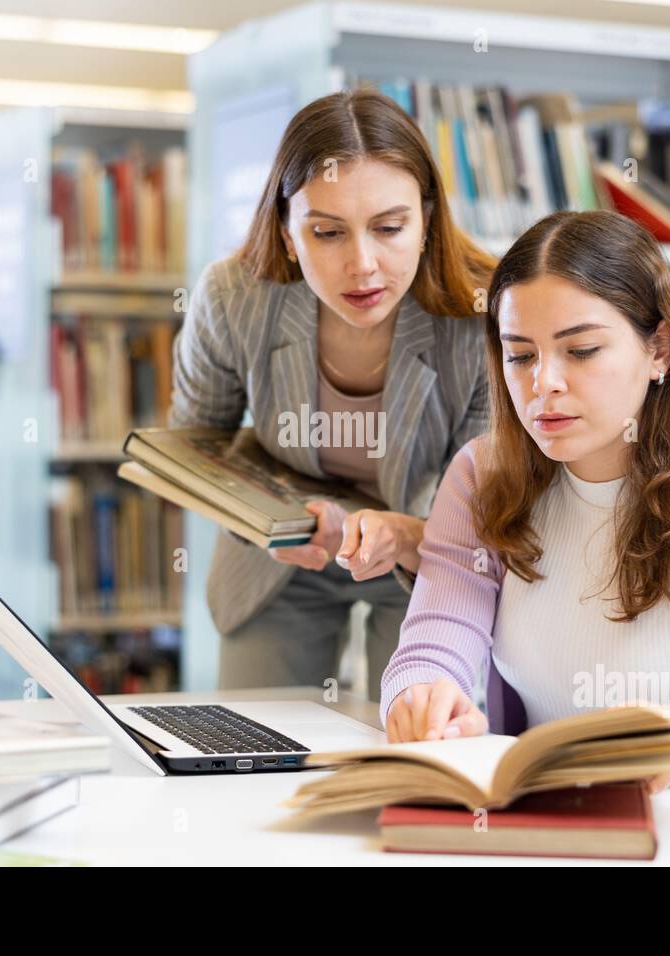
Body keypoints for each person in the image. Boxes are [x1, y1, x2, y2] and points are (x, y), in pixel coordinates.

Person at [381, 210, 670, 809]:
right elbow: (431, 650)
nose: (544, 384)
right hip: (538, 831)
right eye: (521, 356)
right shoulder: (481, 479)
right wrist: (424, 699)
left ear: (659, 348)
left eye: (581, 350)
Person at [170, 88, 495, 700]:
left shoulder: (484, 312)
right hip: (281, 562)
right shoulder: (232, 297)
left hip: (432, 549)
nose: (363, 265)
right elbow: (195, 451)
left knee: (418, 748)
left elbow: (489, 495)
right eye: (327, 233)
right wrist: (278, 519)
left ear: (427, 220)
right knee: (258, 755)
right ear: (289, 233)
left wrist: (401, 535)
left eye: (390, 228)